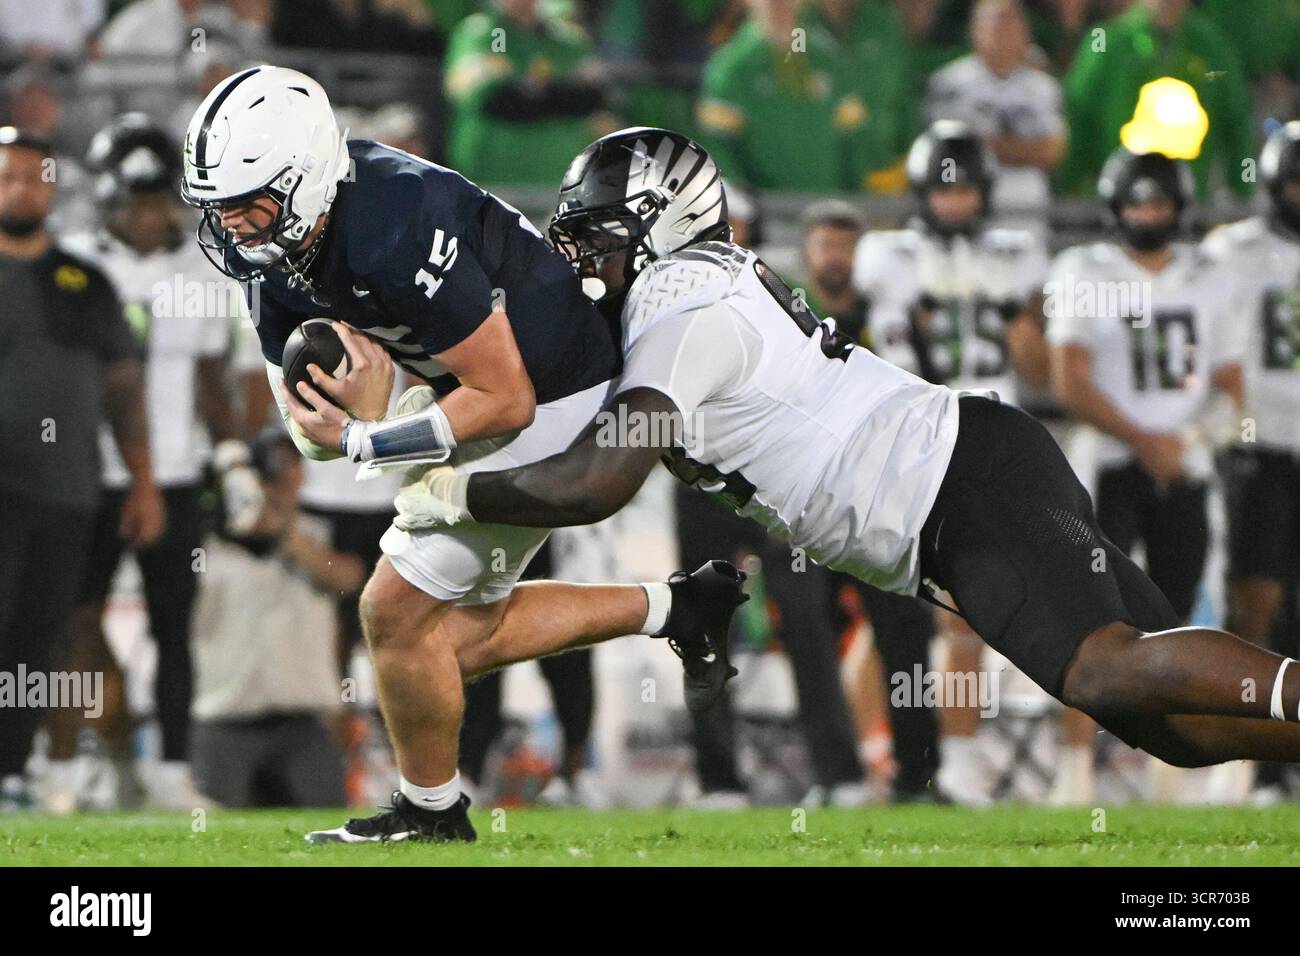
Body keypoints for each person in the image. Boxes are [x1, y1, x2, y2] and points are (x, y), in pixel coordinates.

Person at [401, 126, 1300, 788]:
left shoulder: (682, 299)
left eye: (596, 233)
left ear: (662, 224)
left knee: (1106, 666)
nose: (580, 253)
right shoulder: (682, 293)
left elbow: (600, 479)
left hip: (953, 485)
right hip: (959, 482)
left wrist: (454, 493)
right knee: (1168, 725)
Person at [180, 68, 747, 843]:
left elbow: (504, 397)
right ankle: (680, 608)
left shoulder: (391, 223)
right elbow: (308, 432)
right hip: (469, 391)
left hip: (554, 390)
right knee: (448, 636)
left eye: (251, 204)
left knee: (394, 610)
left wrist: (370, 436)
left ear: (307, 178)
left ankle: (432, 811)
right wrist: (336, 427)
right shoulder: (276, 254)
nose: (235, 227)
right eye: (219, 209)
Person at [42, 114, 247, 814]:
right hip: (82, 472)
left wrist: (233, 455)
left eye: (159, 201)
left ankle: (170, 770)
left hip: (177, 474)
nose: (149, 215)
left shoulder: (203, 269)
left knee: (172, 628)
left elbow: (211, 379)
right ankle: (64, 769)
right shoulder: (70, 262)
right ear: (107, 199)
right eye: (137, 202)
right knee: (73, 621)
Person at [853, 120, 1051, 803]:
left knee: (964, 612)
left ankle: (949, 762)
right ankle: (879, 760)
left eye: (968, 190)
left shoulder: (1014, 257)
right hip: (910, 448)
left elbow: (1038, 367)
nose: (956, 203)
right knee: (900, 618)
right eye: (946, 190)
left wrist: (1014, 312)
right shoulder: (890, 256)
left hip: (994, 447)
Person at [0, 127, 161, 810]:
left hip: (67, 490)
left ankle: (11, 770)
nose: (22, 188)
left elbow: (125, 393)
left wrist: (144, 482)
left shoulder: (87, 284)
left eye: (36, 176)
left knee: (36, 637)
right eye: (8, 175)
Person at [1201, 122, 1300, 801]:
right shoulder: (1232, 251)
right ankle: (1253, 762)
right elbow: (1209, 348)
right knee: (1255, 603)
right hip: (1257, 443)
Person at [190, 429, 361, 808]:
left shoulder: (318, 535)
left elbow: (348, 579)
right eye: (273, 475)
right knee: (218, 841)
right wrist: (237, 523)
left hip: (305, 724)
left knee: (327, 833)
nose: (282, 486)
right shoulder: (207, 546)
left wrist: (285, 532)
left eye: (292, 472)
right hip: (224, 722)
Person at [925, 0, 1066, 224]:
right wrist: (1023, 149)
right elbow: (950, 152)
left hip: (1029, 209)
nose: (1002, 34)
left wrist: (984, 145)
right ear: (974, 30)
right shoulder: (949, 83)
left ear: (1025, 32)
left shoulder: (1043, 87)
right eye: (994, 25)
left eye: (1010, 25)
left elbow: (1050, 153)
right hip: (967, 210)